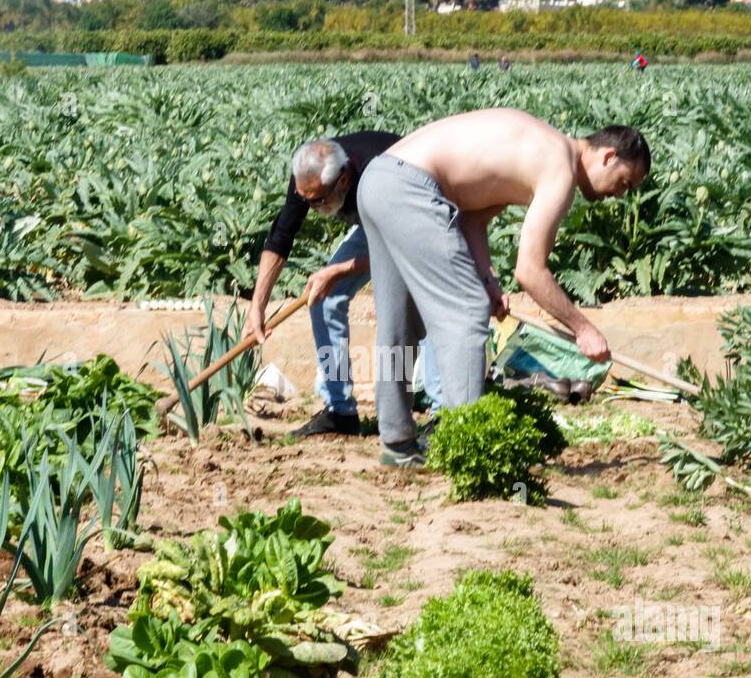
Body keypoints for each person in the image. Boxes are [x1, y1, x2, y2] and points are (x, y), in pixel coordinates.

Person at [357, 110, 650, 466]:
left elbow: (473, 216)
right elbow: (530, 270)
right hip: (410, 186)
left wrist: (487, 280)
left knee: (398, 322)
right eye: (624, 182)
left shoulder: (540, 146)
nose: (619, 195)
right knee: (466, 312)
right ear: (608, 156)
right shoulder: (559, 166)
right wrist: (582, 328)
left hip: (378, 179)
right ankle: (467, 445)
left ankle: (398, 443)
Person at [248, 135, 443, 439]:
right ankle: (340, 411)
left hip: (423, 218)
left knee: (428, 302)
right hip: (376, 220)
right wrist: (257, 306)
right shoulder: (309, 175)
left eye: (317, 201)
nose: (310, 208)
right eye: (305, 200)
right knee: (324, 299)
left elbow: (397, 246)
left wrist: (337, 270)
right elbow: (281, 234)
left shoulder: (381, 173)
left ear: (343, 181)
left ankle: (444, 414)